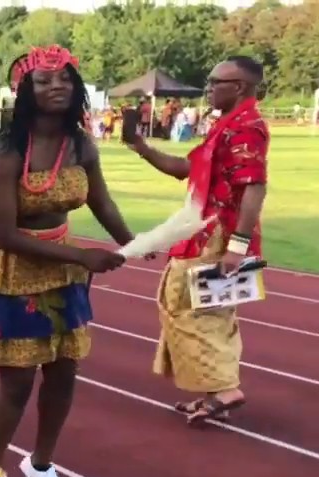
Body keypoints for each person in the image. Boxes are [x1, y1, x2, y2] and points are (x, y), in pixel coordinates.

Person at [0, 46, 133, 477]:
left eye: (64, 80)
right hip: (14, 268)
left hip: (62, 270)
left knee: (64, 374)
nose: (56, 87)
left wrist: (137, 243)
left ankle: (42, 463)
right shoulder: (7, 151)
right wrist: (82, 255)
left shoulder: (82, 145)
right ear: (25, 93)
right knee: (16, 385)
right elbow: (5, 233)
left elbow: (103, 204)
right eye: (43, 81)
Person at [128, 56, 268, 426]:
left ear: (238, 86)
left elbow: (254, 186)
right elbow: (187, 170)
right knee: (211, 311)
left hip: (217, 235)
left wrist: (237, 246)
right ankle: (215, 390)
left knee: (182, 304)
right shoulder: (226, 125)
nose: (208, 87)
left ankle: (223, 389)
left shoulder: (246, 128)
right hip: (208, 229)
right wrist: (142, 148)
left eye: (214, 81)